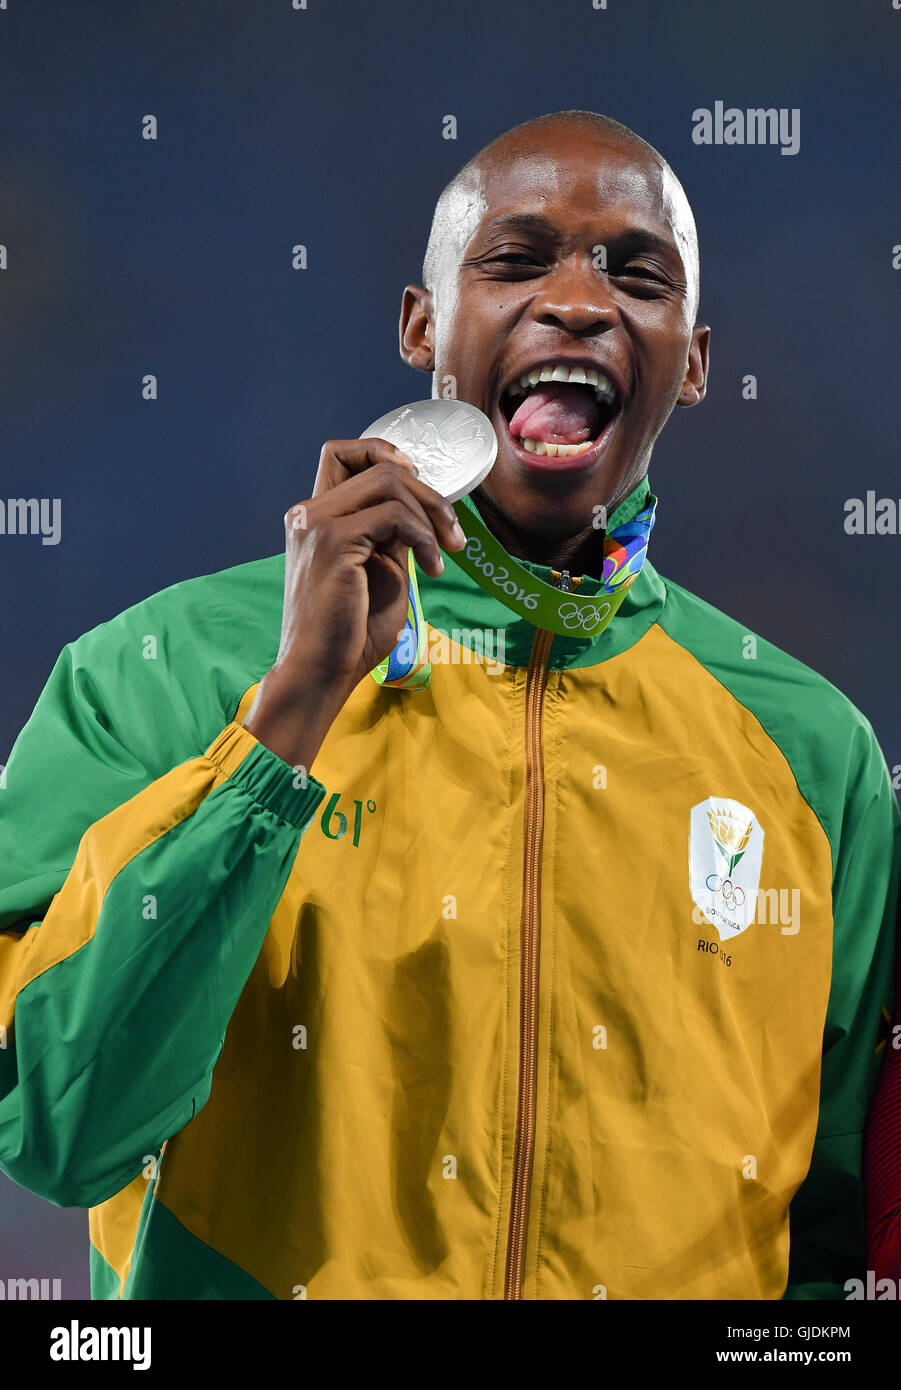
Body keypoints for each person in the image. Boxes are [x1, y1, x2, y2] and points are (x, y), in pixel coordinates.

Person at [0, 108, 897, 1301]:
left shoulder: (813, 752)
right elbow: (59, 1132)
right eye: (517, 260)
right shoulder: (157, 672)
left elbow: (839, 1245)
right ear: (424, 324)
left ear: (690, 361)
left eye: (636, 274)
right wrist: (289, 717)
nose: (578, 300)